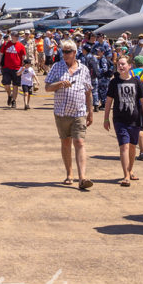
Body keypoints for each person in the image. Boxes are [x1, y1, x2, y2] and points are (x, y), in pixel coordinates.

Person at [45, 40, 93, 190]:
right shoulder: (57, 67)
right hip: (61, 112)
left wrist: (90, 112)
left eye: (67, 52)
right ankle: (69, 173)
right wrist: (59, 84)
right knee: (66, 142)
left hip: (79, 112)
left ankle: (82, 177)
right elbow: (47, 87)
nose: (64, 54)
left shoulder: (83, 69)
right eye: (63, 52)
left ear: (74, 53)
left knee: (79, 142)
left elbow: (88, 91)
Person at [104, 55, 143, 186]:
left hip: (135, 120)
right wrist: (106, 118)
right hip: (119, 119)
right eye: (119, 64)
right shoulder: (114, 82)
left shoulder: (136, 81)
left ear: (130, 66)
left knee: (132, 147)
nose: (121, 66)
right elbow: (108, 101)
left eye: (123, 64)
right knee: (124, 146)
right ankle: (126, 175)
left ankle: (130, 170)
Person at [0, 32, 26, 109]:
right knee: (6, 84)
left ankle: (14, 101)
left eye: (18, 36)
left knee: (15, 85)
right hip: (6, 67)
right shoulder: (6, 44)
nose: (17, 37)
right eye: (15, 36)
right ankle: (9, 95)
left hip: (17, 68)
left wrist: (23, 67)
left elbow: (24, 57)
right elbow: (1, 54)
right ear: (11, 36)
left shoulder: (21, 46)